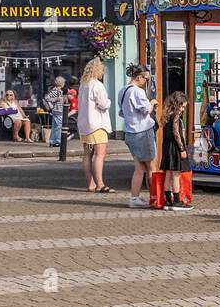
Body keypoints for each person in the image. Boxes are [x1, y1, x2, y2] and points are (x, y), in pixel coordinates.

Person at [118, 63, 157, 207]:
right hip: (142, 132)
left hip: (130, 132)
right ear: (139, 77)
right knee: (152, 166)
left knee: (139, 168)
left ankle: (134, 199)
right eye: (145, 79)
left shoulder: (122, 91)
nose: (146, 82)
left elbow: (121, 112)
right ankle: (155, 197)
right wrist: (152, 102)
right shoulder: (138, 92)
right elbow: (146, 109)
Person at [76, 57, 113, 193]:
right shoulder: (97, 85)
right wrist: (109, 102)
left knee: (87, 154)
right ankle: (100, 184)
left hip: (85, 124)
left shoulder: (83, 84)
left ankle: (91, 183)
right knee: (100, 154)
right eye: (102, 70)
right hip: (97, 124)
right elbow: (103, 104)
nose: (102, 73)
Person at [158, 90, 192, 211]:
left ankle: (168, 201)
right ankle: (177, 201)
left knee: (168, 174)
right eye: (182, 106)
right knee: (176, 174)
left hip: (167, 147)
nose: (182, 109)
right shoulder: (176, 115)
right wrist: (182, 149)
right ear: (177, 104)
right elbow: (176, 133)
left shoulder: (167, 114)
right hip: (175, 147)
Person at [44, 76, 67, 147]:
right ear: (61, 83)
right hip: (57, 111)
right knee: (59, 126)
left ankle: (52, 141)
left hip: (57, 111)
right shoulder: (55, 91)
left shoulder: (59, 91)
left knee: (55, 126)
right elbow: (46, 98)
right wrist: (56, 99)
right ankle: (57, 141)